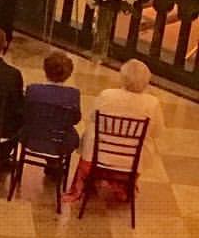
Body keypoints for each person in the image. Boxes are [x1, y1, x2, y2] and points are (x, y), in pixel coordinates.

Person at [65, 58, 164, 203]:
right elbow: (157, 132)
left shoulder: (107, 95)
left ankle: (87, 182)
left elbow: (92, 117)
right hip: (132, 160)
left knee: (91, 132)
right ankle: (124, 186)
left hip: (100, 156)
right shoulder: (152, 103)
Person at [19, 50, 82, 158]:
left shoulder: (33, 90)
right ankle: (54, 164)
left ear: (45, 70)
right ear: (69, 73)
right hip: (60, 145)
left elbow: (25, 113)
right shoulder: (73, 95)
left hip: (31, 139)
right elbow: (75, 119)